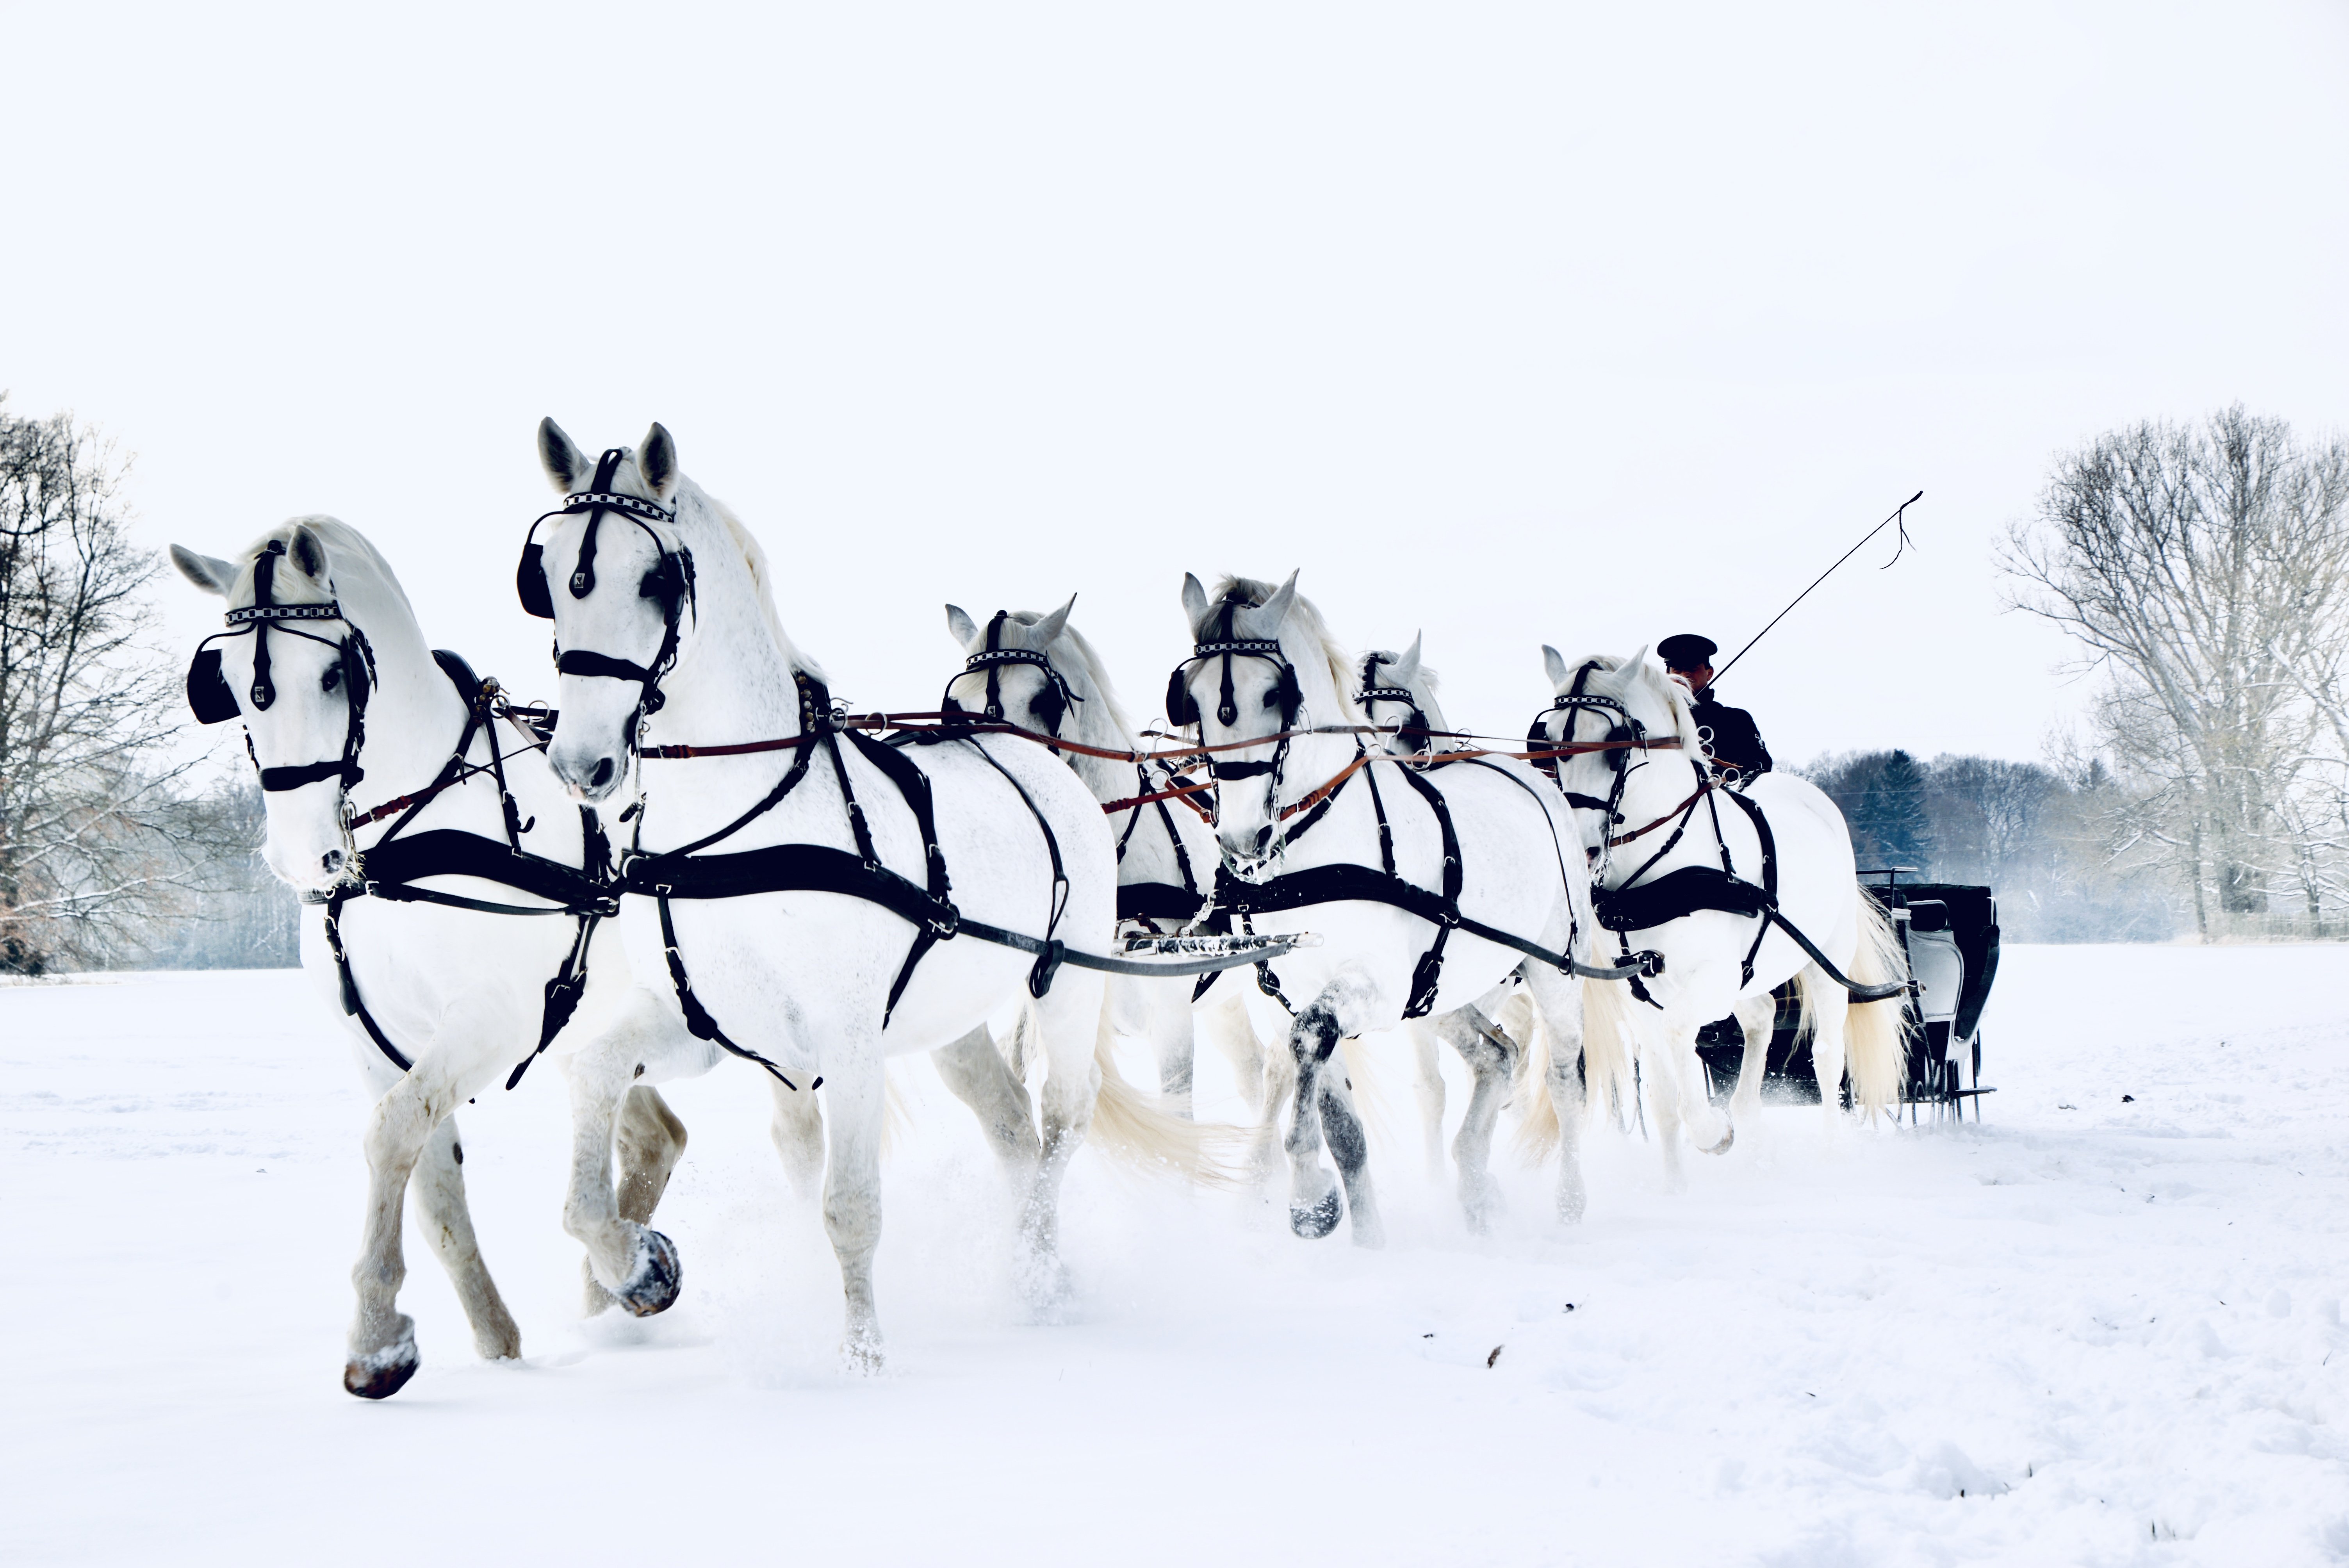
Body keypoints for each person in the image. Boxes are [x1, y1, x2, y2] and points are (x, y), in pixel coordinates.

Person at [1656, 633, 1771, 782]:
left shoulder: (1737, 720)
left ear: (1709, 673)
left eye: (1693, 669)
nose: (1684, 675)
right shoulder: (1653, 718)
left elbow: (1761, 765)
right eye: (1677, 670)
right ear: (1668, 674)